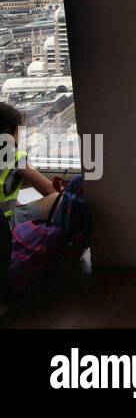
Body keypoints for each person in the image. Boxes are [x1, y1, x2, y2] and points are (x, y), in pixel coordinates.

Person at [2, 102, 59, 315]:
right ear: (14, 131)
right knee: (57, 199)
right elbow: (50, 190)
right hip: (4, 228)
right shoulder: (14, 157)